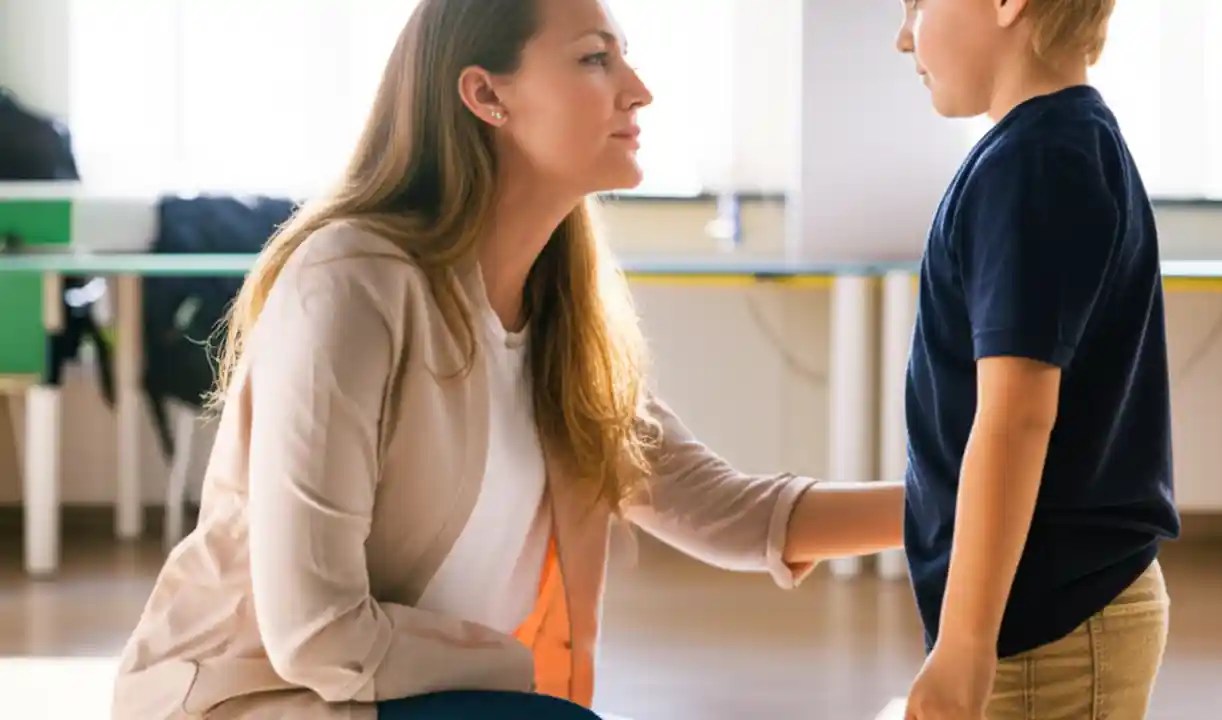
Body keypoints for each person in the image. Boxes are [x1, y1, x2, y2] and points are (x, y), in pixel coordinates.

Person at [111, 1, 906, 718]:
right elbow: (316, 635)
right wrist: (511, 667)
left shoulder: (559, 318)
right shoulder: (352, 284)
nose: (639, 90)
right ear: (487, 96)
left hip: (405, 696)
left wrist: (970, 504)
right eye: (597, 58)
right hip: (256, 701)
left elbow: (735, 513)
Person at [892, 0, 1181, 718]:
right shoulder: (1054, 147)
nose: (904, 38)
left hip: (1049, 630)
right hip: (1065, 613)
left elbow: (1016, 416)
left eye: (916, 5)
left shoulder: (1035, 164)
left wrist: (963, 643)